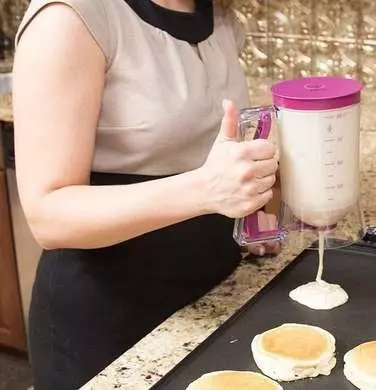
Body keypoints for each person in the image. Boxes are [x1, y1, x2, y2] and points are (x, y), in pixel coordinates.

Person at [12, 0, 279, 388]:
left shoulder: (219, 15)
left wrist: (246, 218)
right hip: (108, 321)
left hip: (210, 300)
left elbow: (199, 145)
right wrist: (206, 190)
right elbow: (48, 215)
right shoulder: (73, 16)